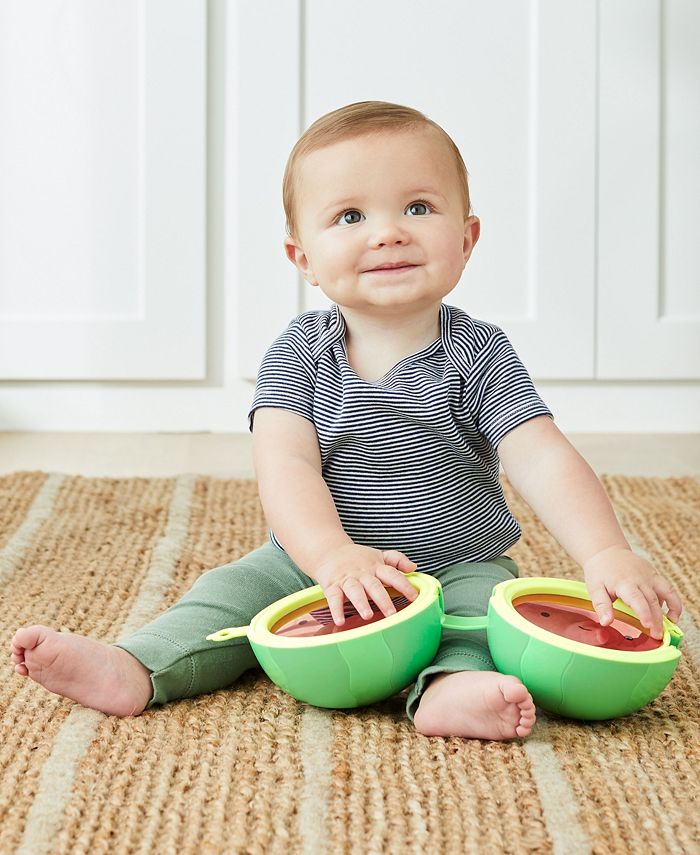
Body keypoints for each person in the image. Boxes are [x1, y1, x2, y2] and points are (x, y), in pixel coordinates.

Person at [10, 101, 683, 740]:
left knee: (487, 616)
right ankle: (138, 665)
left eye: (418, 207)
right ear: (302, 257)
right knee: (226, 596)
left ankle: (450, 689)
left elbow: (542, 455)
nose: (387, 231)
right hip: (310, 562)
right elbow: (286, 464)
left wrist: (604, 550)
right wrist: (330, 556)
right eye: (350, 215)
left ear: (468, 237)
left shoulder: (479, 353)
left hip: (456, 562)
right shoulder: (300, 353)